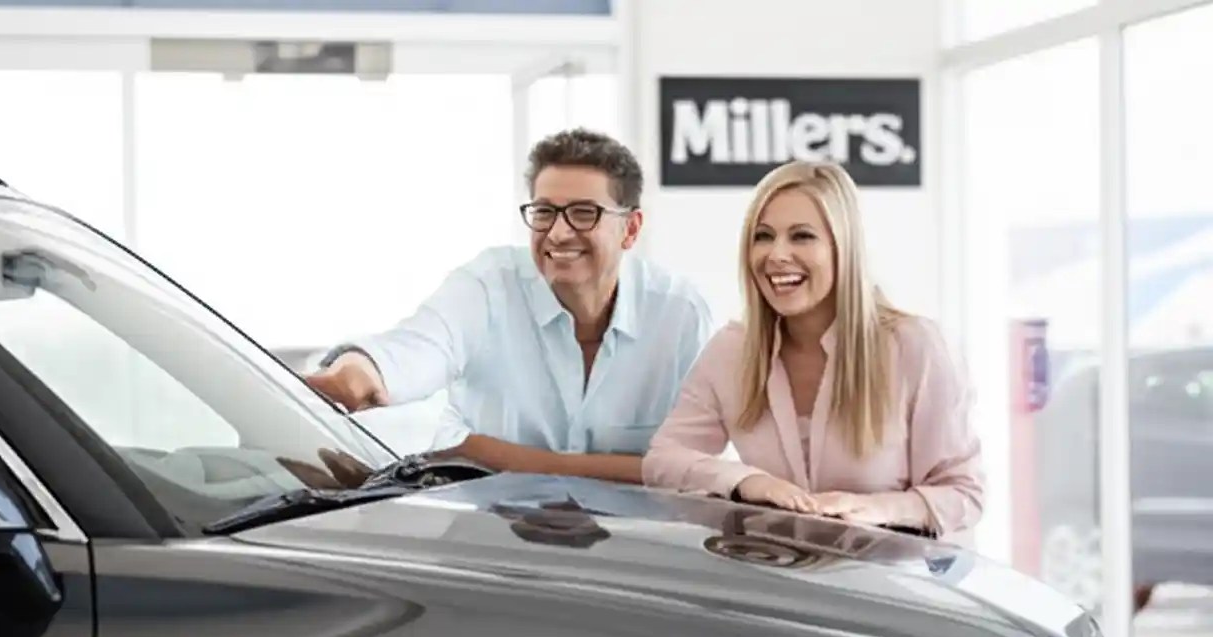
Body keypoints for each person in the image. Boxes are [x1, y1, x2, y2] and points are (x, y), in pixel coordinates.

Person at [307, 128, 713, 485]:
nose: (558, 232)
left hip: (634, 550)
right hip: (491, 540)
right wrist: (358, 371)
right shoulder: (488, 286)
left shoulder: (679, 315)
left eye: (583, 214)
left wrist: (489, 453)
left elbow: (692, 469)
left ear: (631, 228)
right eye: (544, 212)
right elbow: (415, 348)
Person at [642, 160, 984, 542]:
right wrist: (748, 482)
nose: (776, 255)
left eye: (802, 236)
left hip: (892, 588)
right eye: (763, 236)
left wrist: (877, 509)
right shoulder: (731, 350)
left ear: (844, 248)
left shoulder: (916, 348)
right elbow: (663, 461)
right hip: (783, 587)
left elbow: (963, 493)